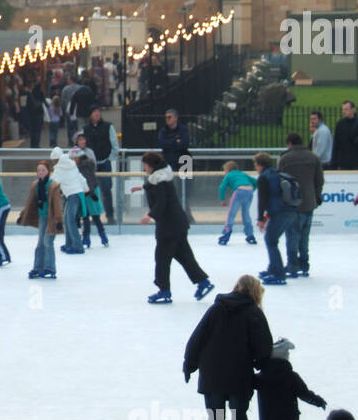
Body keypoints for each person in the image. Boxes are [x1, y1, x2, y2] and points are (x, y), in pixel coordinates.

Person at [183, 274, 271, 420]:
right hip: (239, 376)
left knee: (216, 419)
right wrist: (263, 367)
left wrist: (190, 364)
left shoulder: (216, 309)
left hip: (212, 375)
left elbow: (197, 337)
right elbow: (264, 347)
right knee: (239, 418)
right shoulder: (254, 313)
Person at [136, 151, 213, 304]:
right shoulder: (161, 177)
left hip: (169, 227)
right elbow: (155, 188)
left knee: (162, 258)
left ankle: (164, 290)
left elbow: (162, 201)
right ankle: (203, 282)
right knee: (184, 256)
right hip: (177, 224)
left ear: (151, 165)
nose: (144, 167)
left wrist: (150, 216)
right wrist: (141, 187)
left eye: (145, 164)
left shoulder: (160, 181)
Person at [278, 133, 325, 277]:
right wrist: (316, 196)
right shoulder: (313, 157)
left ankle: (292, 265)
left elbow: (280, 181)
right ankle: (304, 264)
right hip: (309, 202)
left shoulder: (285, 159)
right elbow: (319, 180)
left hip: (292, 204)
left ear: (290, 144)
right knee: (304, 236)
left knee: (292, 236)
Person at [15, 160, 64, 280]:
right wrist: (22, 215)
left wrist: (58, 221)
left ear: (48, 171)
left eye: (43, 170)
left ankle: (50, 268)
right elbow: (30, 202)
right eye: (39, 170)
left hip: (52, 218)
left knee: (48, 242)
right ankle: (38, 267)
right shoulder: (35, 185)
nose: (41, 172)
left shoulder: (53, 185)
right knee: (40, 243)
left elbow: (57, 204)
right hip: (42, 217)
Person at [253, 152, 297, 285]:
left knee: (270, 240)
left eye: (255, 165)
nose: (255, 167)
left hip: (280, 213)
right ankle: (273, 269)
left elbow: (262, 199)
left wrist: (261, 218)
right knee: (272, 239)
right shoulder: (278, 174)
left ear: (260, 165)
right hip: (291, 211)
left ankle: (278, 274)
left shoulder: (264, 178)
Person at [81, 105, 118, 224]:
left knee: (106, 190)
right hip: (90, 166)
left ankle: (110, 215)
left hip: (104, 163)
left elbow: (114, 144)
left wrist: (109, 159)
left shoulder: (108, 126)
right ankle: (94, 215)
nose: (97, 114)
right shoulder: (85, 129)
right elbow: (82, 146)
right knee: (91, 191)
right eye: (94, 112)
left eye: (98, 112)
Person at [72, 133, 107, 247]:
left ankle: (102, 237)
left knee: (95, 216)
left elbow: (90, 179)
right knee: (85, 216)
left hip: (90, 192)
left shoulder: (85, 166)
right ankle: (86, 238)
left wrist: (91, 192)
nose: (73, 159)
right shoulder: (77, 165)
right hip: (84, 192)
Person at [216, 160, 257, 245]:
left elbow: (222, 187)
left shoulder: (229, 175)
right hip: (249, 191)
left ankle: (226, 233)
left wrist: (222, 199)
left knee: (231, 213)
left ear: (227, 169)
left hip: (239, 191)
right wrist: (253, 190)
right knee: (246, 213)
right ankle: (250, 235)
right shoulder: (242, 173)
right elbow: (255, 181)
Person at [332, 100, 358, 170]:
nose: (344, 112)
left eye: (346, 109)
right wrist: (335, 162)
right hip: (343, 162)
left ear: (353, 109)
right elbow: (336, 144)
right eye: (343, 109)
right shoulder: (340, 124)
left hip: (357, 161)